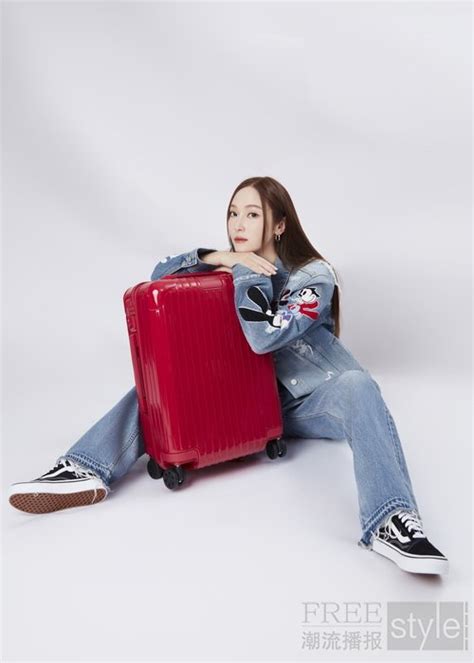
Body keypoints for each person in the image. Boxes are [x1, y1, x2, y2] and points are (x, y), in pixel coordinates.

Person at [8, 176, 448, 575]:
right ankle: (86, 467)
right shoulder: (235, 262)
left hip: (312, 401)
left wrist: (241, 273)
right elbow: (158, 277)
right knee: (164, 387)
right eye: (234, 213)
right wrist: (215, 257)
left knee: (359, 385)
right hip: (254, 401)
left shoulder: (314, 275)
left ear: (279, 225)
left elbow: (264, 338)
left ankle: (390, 520)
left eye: (253, 214)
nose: (239, 223)